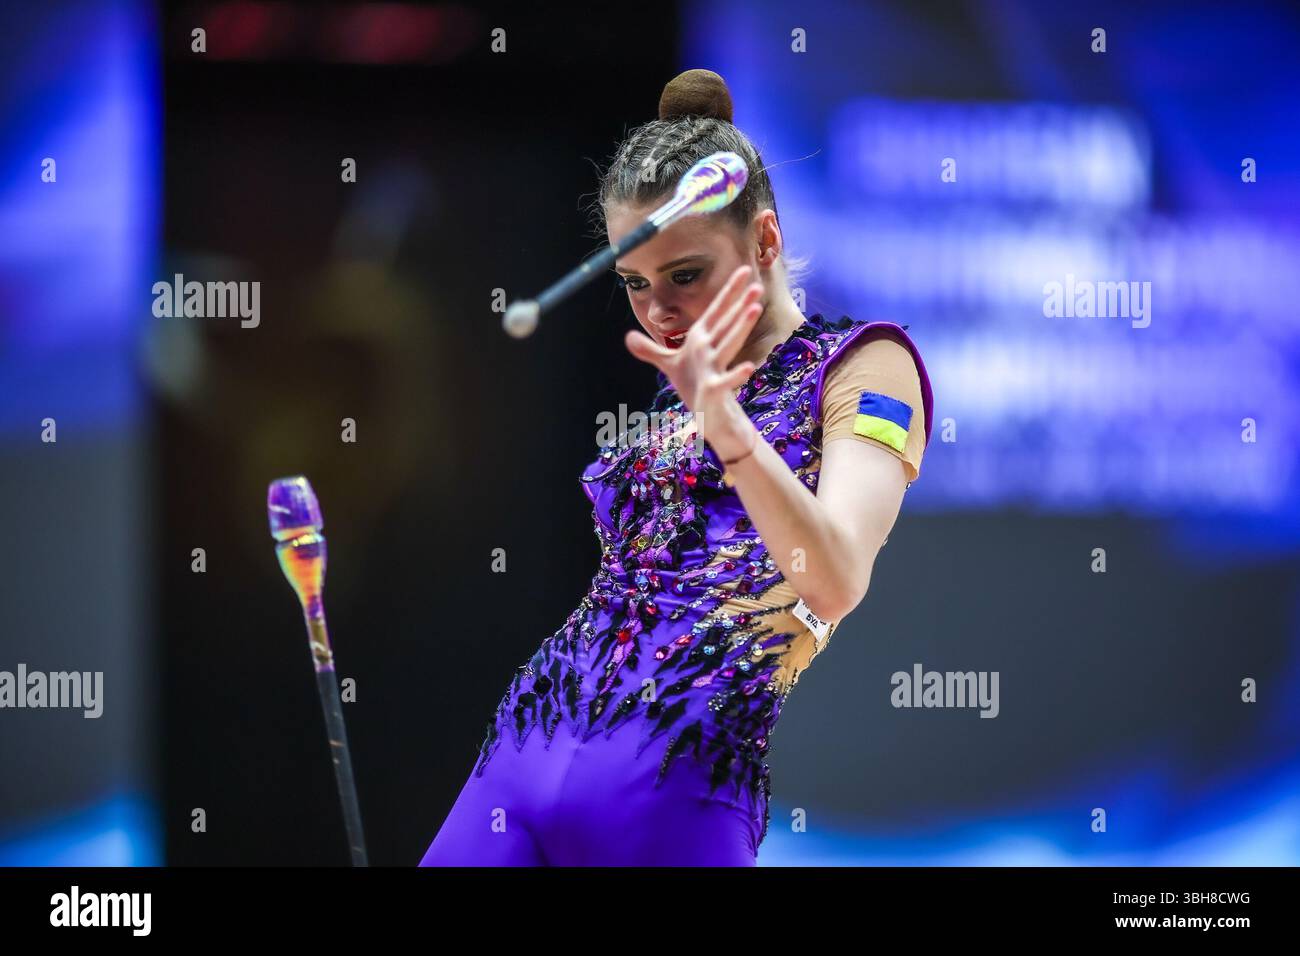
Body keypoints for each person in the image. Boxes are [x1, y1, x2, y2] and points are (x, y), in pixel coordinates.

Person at [420, 69, 933, 866]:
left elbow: (833, 578)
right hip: (523, 750)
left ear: (765, 241)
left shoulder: (867, 367)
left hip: (673, 783)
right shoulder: (687, 396)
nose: (658, 312)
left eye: (684, 275)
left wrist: (727, 427)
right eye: (634, 284)